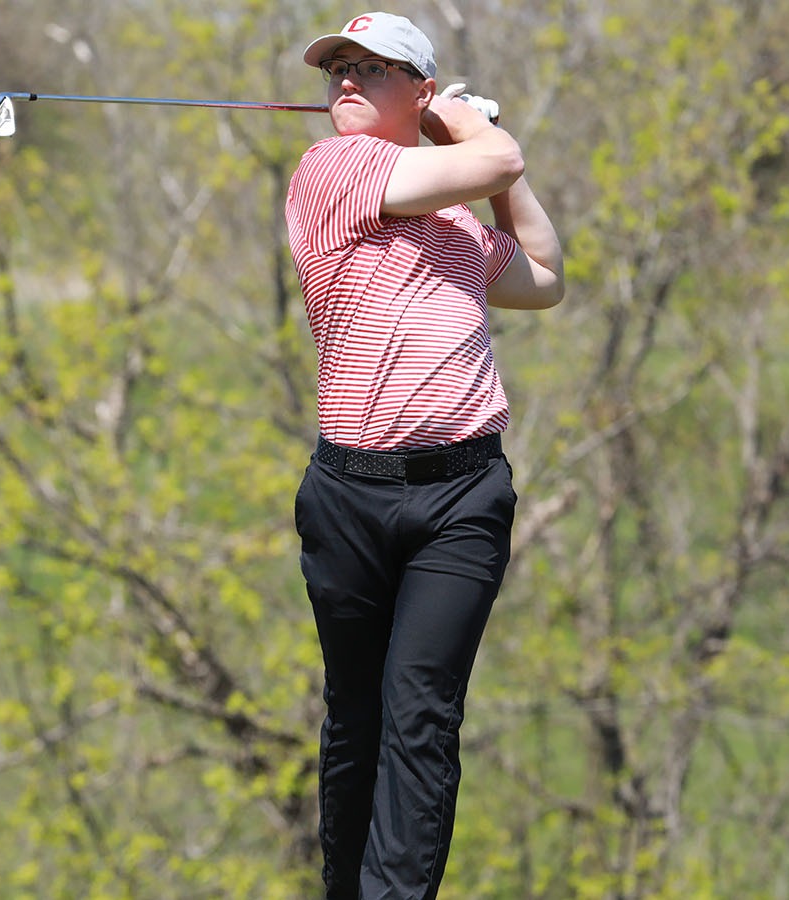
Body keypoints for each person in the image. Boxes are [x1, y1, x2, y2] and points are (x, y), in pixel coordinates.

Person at [285, 11, 564, 899]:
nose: (348, 83)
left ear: (420, 90)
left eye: (375, 69)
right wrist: (474, 129)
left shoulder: (445, 220)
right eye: (339, 69)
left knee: (420, 717)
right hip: (350, 497)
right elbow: (499, 158)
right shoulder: (333, 169)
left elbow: (545, 276)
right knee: (355, 719)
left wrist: (477, 156)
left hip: (460, 499)